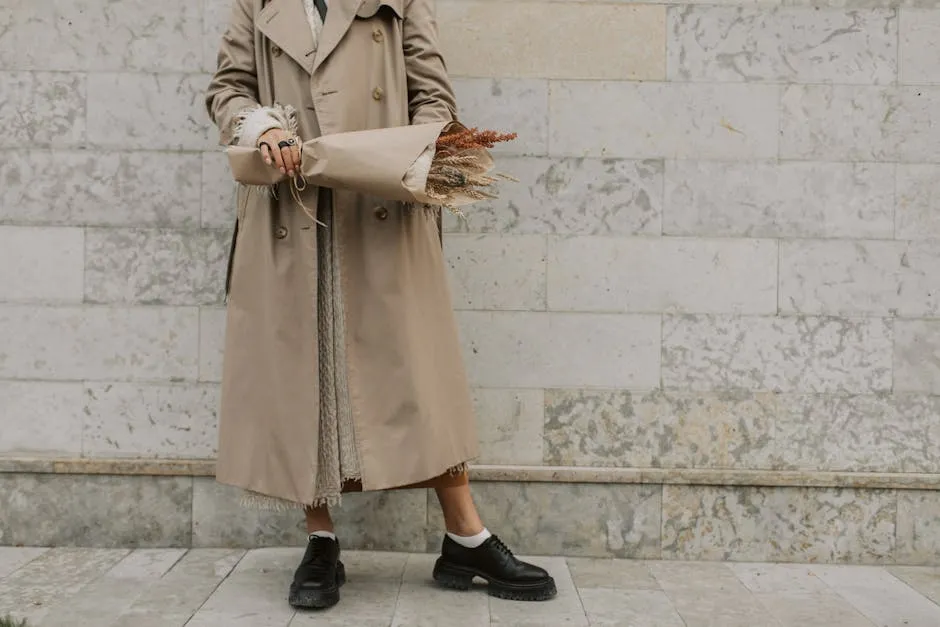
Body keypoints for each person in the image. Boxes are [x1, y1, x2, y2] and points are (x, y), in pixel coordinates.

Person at [205, 0, 556, 610]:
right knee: (301, 374)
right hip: (295, 209)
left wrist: (402, 156)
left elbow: (435, 98)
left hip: (381, 212)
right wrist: (260, 127)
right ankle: (320, 543)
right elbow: (228, 88)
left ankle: (464, 535)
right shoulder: (257, 2)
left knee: (417, 374)